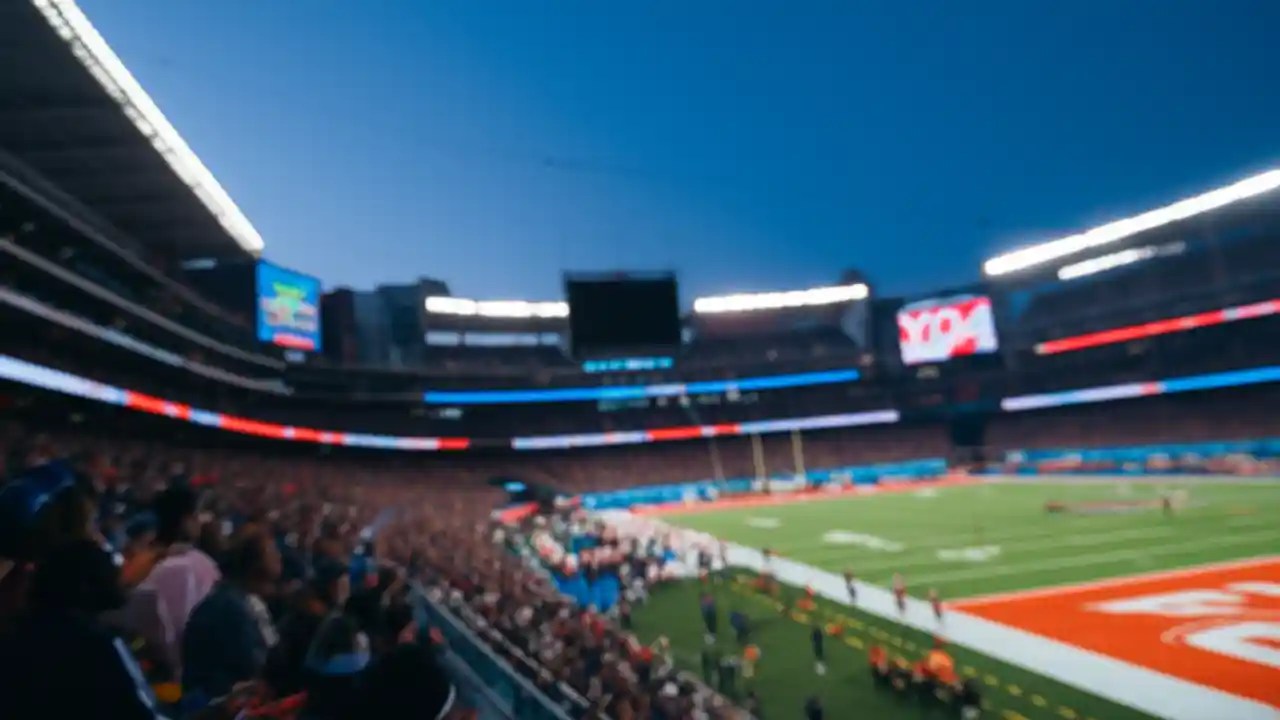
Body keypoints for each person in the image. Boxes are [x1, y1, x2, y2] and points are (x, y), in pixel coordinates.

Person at [0, 539, 167, 720]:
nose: (118, 570)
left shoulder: (17, 636)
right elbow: (145, 713)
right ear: (85, 583)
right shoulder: (101, 645)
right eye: (107, 565)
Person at [182, 528, 282, 706]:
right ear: (255, 563)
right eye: (272, 552)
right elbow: (256, 667)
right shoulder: (234, 609)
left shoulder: (233, 598)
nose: (278, 557)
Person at [131, 484, 221, 675]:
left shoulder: (138, 557)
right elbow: (179, 635)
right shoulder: (183, 566)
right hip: (171, 679)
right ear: (184, 520)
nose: (200, 520)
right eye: (196, 514)